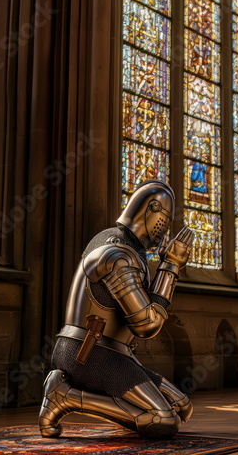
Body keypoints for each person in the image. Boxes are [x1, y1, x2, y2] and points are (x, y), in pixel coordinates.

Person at [39, 180, 194, 439]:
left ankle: (64, 395)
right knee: (163, 420)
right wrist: (172, 266)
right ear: (150, 209)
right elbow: (147, 325)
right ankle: (62, 396)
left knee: (182, 405)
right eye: (164, 219)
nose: (164, 228)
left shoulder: (125, 246)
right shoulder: (117, 255)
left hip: (114, 352)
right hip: (89, 355)